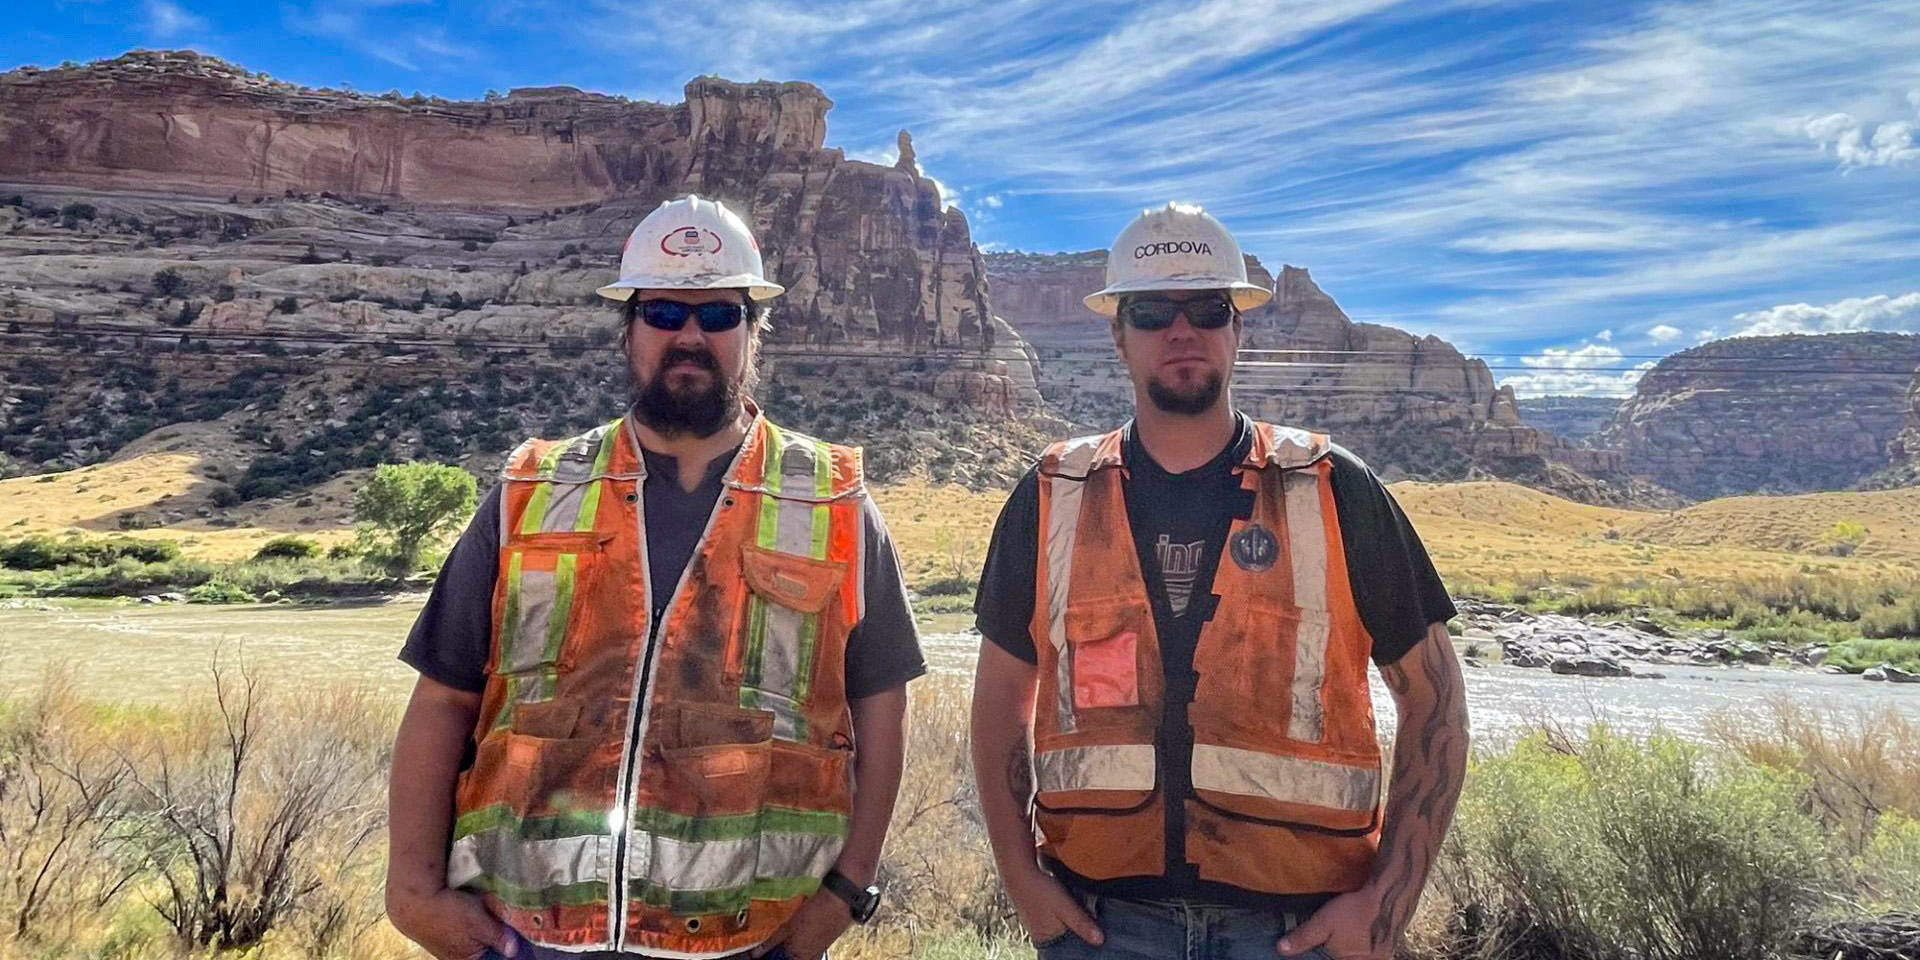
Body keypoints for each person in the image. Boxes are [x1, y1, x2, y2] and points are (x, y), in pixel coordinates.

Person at [385, 195, 923, 960]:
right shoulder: (531, 490)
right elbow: (444, 698)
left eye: (720, 314)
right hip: (526, 934)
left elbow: (881, 709)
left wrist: (844, 894)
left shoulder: (832, 500)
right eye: (665, 312)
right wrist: (413, 893)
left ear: (754, 330)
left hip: (752, 939)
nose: (691, 336)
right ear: (629, 328)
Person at [969, 202, 1469, 960]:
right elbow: (1000, 701)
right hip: (1099, 926)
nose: (1181, 331)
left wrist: (1386, 904)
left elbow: (1435, 700)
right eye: (1151, 312)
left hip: (1301, 931)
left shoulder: (1334, 487)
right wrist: (1022, 881)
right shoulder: (1052, 494)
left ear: (1238, 327)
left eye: (1207, 309)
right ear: (1117, 334)